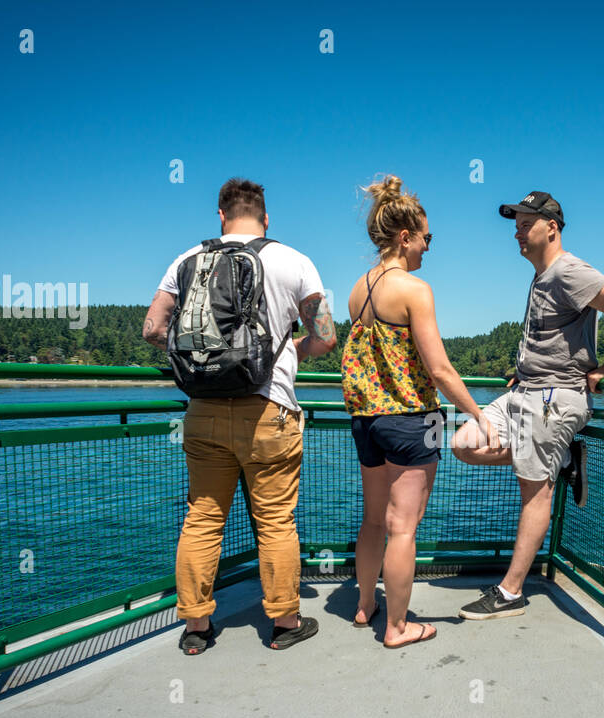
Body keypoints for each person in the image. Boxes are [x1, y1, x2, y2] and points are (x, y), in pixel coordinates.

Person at [142, 177, 338, 654]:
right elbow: (326, 336)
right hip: (269, 408)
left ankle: (196, 627)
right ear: (266, 217)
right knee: (275, 520)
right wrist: (291, 349)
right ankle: (285, 623)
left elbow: (153, 328)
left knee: (203, 518)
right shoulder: (294, 261)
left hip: (204, 409)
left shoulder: (187, 261)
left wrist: (198, 359)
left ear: (221, 215)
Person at [451, 190, 604, 619]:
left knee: (533, 491)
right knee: (464, 443)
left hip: (554, 400)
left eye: (525, 225)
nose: (517, 234)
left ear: (551, 227)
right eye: (515, 226)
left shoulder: (568, 271)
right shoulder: (541, 276)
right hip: (525, 391)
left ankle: (511, 592)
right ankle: (561, 459)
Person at [343, 175, 497, 648]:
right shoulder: (414, 289)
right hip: (412, 420)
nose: (429, 247)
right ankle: (397, 627)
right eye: (427, 238)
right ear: (405, 236)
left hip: (367, 419)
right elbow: (441, 369)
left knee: (373, 522)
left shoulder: (357, 290)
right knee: (402, 526)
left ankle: (365, 605)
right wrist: (479, 414)